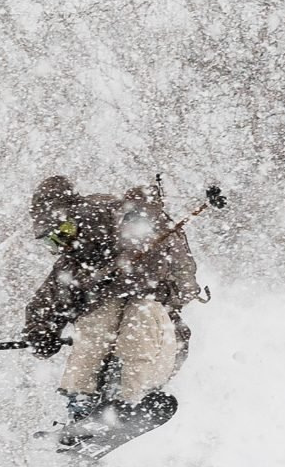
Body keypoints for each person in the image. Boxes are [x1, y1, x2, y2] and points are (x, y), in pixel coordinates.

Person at [22, 174, 201, 444]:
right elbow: (45, 303)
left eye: (63, 233)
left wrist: (115, 279)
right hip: (106, 360)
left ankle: (129, 399)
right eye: (52, 242)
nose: (61, 246)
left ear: (77, 223)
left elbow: (169, 276)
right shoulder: (74, 265)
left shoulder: (139, 236)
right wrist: (40, 332)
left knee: (139, 313)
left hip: (161, 343)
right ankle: (82, 405)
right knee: (98, 320)